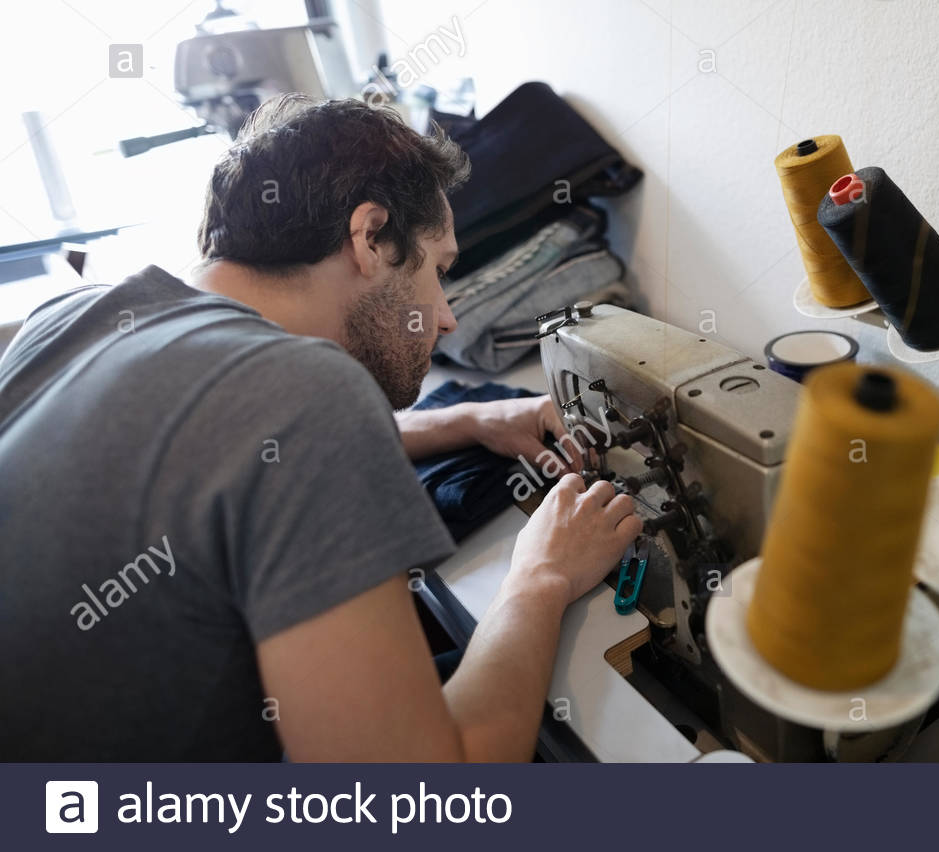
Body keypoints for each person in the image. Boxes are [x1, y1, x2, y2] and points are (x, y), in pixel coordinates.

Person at [0, 95, 641, 761]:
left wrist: (469, 419)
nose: (447, 317)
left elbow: (241, 457)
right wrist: (539, 578)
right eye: (439, 270)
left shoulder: (75, 315)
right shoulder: (305, 391)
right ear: (369, 237)